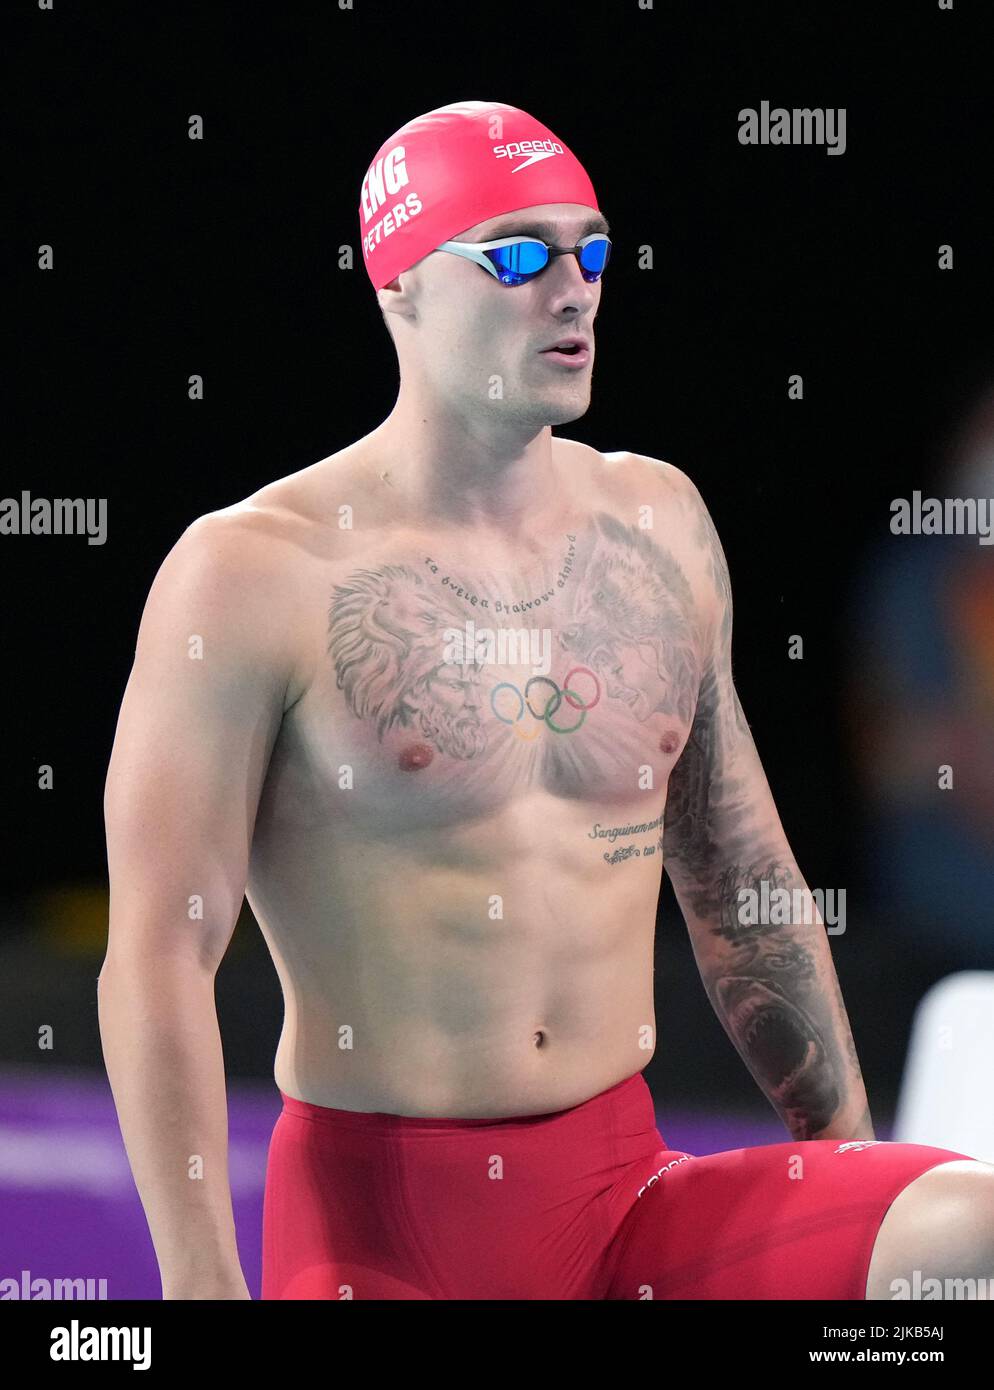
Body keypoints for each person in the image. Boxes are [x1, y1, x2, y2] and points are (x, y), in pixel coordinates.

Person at [99, 100, 994, 1300]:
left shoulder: (657, 519)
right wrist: (198, 1289)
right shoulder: (253, 573)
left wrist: (839, 1168)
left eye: (591, 250)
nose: (571, 288)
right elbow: (159, 954)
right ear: (399, 285)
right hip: (386, 1238)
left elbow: (740, 877)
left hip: (625, 1199)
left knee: (961, 1235)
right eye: (517, 255)